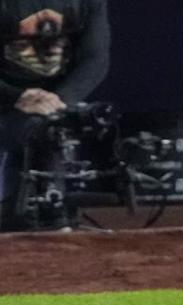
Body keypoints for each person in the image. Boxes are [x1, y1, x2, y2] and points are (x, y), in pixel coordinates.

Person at [0, 0, 109, 232]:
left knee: (48, 131)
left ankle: (47, 216)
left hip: (52, 106)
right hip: (6, 100)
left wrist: (59, 99)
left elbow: (95, 59)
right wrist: (18, 96)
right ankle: (40, 217)